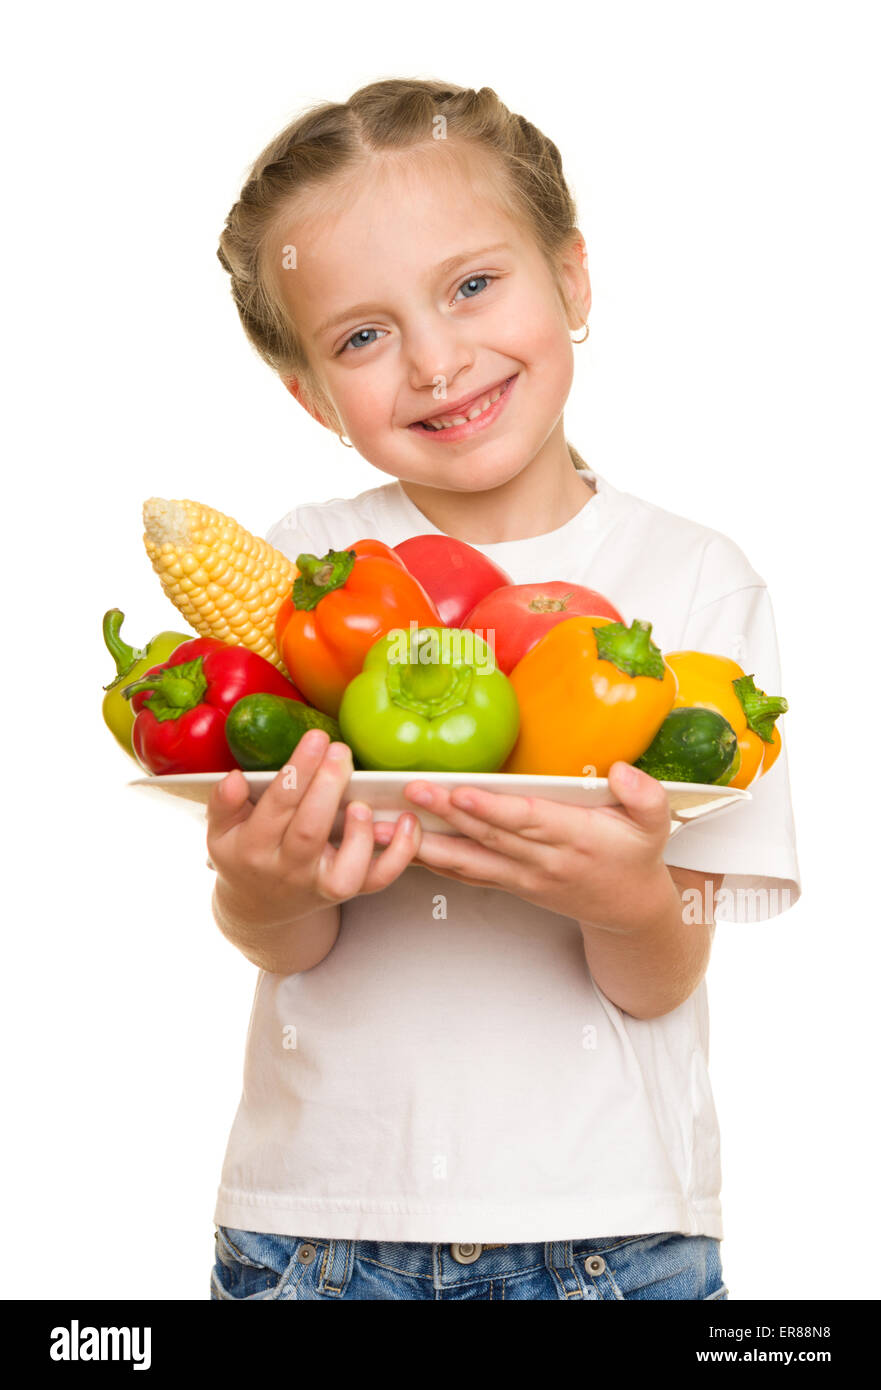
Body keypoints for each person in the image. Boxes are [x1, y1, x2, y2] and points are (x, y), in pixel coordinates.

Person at [206, 78, 800, 1301]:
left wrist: (628, 896)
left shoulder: (692, 583)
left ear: (573, 280)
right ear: (309, 394)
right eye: (361, 337)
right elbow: (290, 938)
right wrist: (257, 884)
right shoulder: (305, 574)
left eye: (473, 285)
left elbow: (665, 968)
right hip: (318, 1229)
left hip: (610, 1234)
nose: (436, 360)